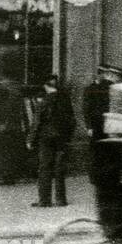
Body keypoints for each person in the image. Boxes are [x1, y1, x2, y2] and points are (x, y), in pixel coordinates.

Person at [31, 75, 77, 207]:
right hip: (61, 138)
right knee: (59, 168)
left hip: (46, 137)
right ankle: (61, 199)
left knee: (45, 167)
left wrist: (31, 139)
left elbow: (37, 122)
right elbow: (72, 120)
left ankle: (44, 200)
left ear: (46, 86)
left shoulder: (44, 101)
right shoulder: (65, 100)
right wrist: (68, 136)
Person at [82, 64, 122, 184]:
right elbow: (86, 109)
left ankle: (105, 175)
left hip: (107, 124)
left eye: (106, 74)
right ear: (98, 74)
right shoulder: (89, 89)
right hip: (95, 124)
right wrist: (89, 126)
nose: (105, 76)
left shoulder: (108, 87)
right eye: (103, 74)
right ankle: (94, 176)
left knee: (106, 150)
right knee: (95, 150)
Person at [0, 80, 28, 186]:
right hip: (13, 131)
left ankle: (7, 177)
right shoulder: (11, 104)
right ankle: (11, 176)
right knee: (11, 154)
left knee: (4, 155)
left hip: (4, 132)